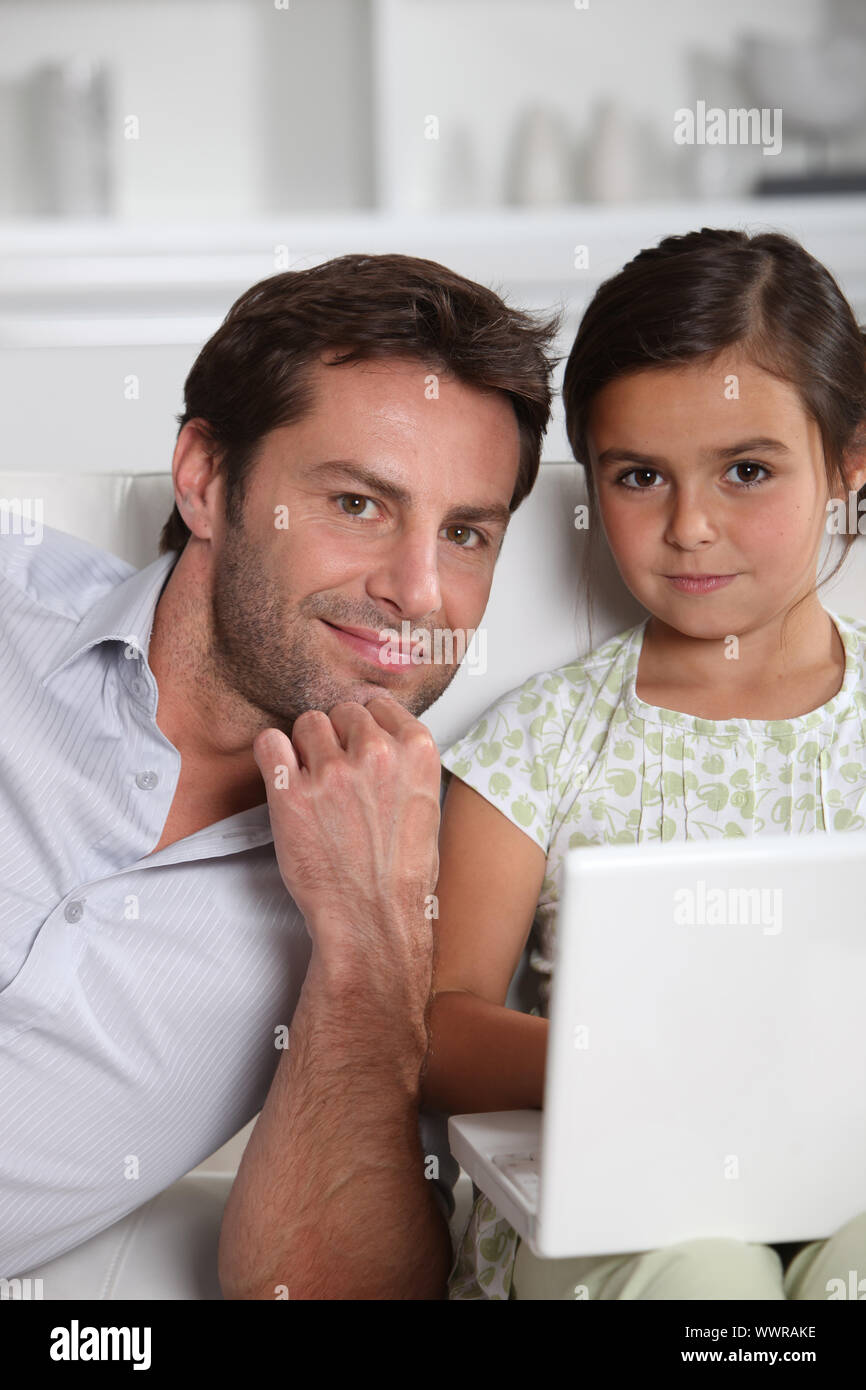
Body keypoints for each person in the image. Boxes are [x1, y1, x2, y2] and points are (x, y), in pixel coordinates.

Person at [0, 252, 559, 1298]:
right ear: (207, 479)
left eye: (466, 533)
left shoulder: (426, 885)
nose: (418, 591)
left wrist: (363, 938)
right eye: (357, 503)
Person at [423, 227, 866, 1299]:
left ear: (847, 464)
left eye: (746, 471)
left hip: (844, 1169)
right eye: (637, 478)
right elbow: (435, 1030)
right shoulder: (540, 745)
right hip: (616, 1194)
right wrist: (624, 1065)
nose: (689, 528)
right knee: (703, 1282)